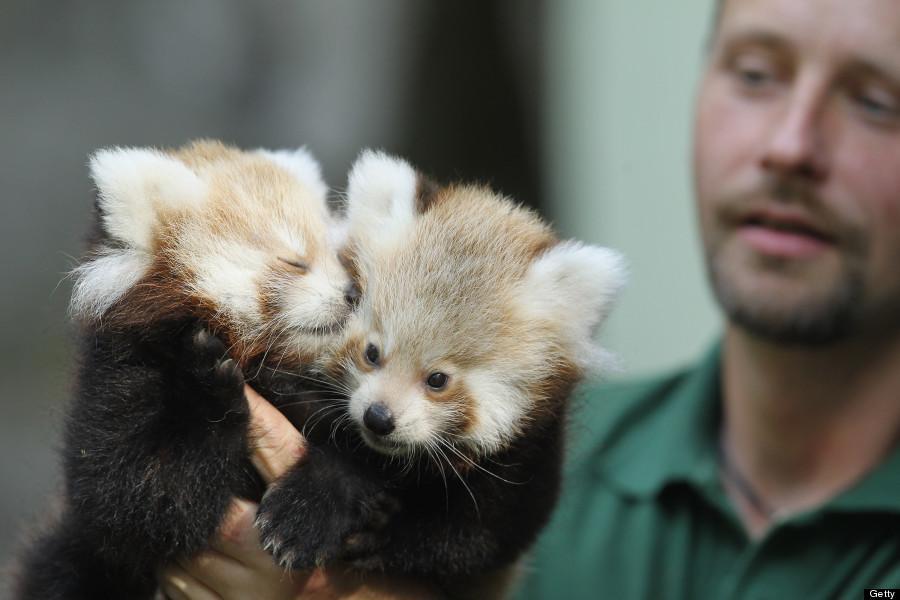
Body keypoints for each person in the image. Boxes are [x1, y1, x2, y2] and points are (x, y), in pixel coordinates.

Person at [160, 0, 900, 596]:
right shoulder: (591, 450)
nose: (791, 145)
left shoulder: (523, 479)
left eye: (874, 100)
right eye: (756, 74)